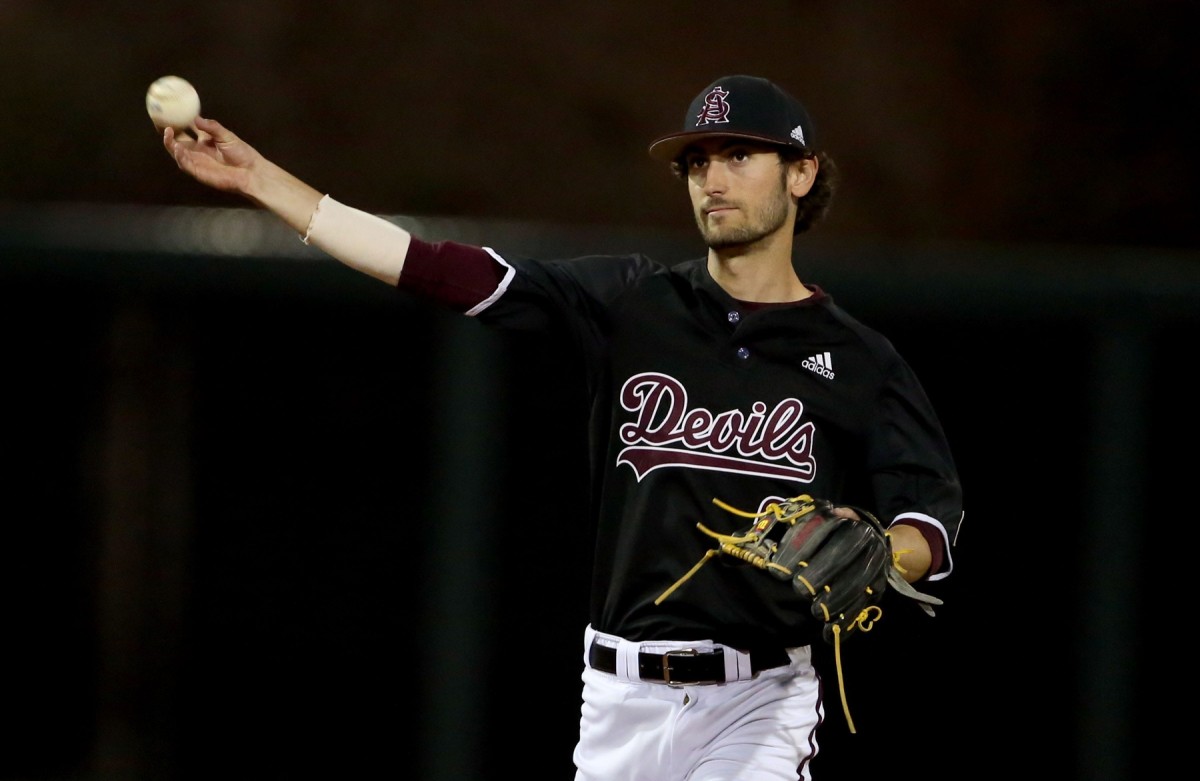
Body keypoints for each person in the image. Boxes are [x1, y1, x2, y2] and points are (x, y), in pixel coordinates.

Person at [162, 74, 964, 781]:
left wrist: (882, 550)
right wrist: (266, 181)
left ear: (801, 172)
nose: (710, 179)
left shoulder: (857, 357)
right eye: (697, 161)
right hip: (619, 699)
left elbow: (931, 511)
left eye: (737, 156)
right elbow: (440, 267)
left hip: (759, 699)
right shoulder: (632, 302)